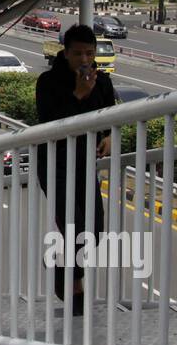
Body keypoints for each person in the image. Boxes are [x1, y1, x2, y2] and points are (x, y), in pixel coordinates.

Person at [35, 24, 116, 315]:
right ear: (66, 53)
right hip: (54, 165)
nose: (84, 60)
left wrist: (107, 136)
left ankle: (61, 268)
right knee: (75, 229)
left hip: (84, 164)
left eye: (90, 54)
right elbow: (48, 123)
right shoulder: (48, 82)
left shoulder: (103, 82)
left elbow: (110, 115)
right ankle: (76, 292)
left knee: (94, 232)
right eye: (78, 53)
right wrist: (78, 96)